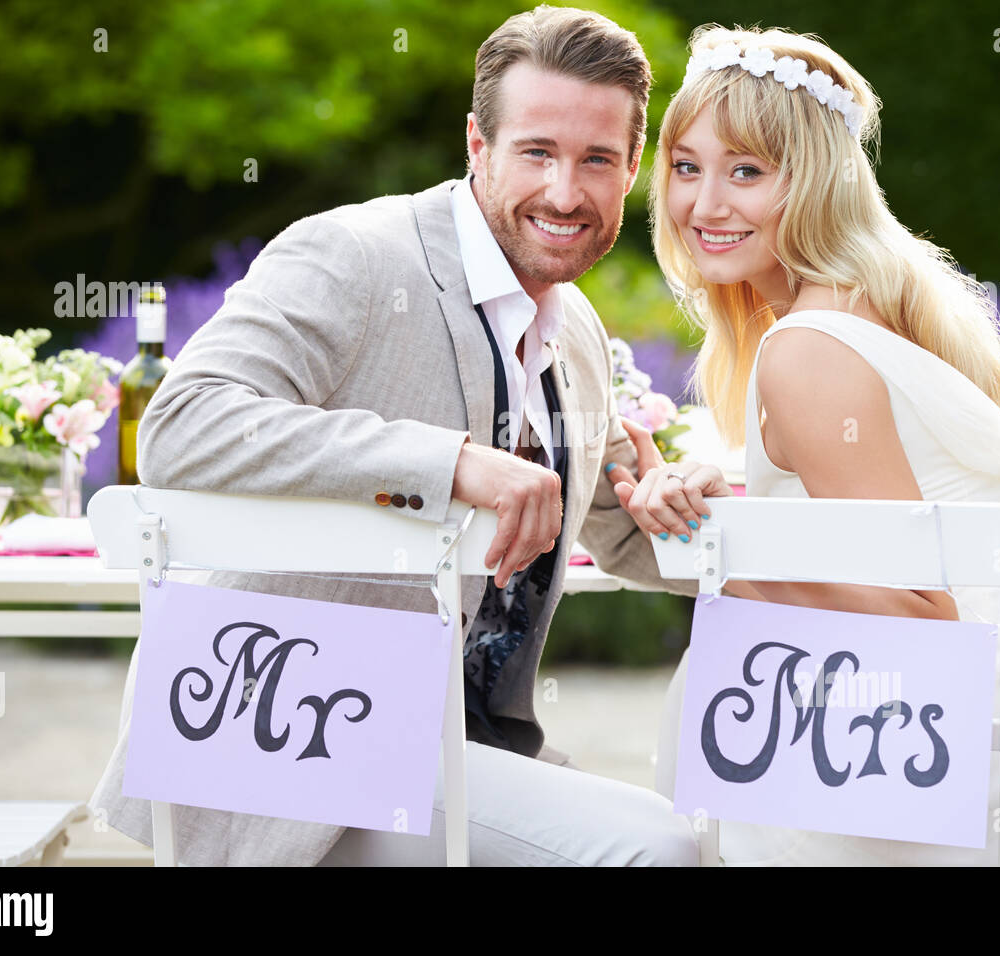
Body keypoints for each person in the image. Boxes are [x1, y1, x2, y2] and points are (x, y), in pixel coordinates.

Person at [89, 5, 700, 867]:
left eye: (596, 159)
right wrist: (446, 463)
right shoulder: (356, 255)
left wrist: (685, 507)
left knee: (704, 830)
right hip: (290, 744)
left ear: (631, 168)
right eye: (537, 151)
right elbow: (181, 424)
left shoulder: (581, 334)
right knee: (654, 850)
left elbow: (616, 530)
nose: (566, 192)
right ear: (476, 147)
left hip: (459, 748)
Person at [608, 24, 1000, 864]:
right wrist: (736, 502)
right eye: (685, 167)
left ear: (813, 180)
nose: (704, 205)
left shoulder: (807, 348)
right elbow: (878, 519)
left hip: (961, 754)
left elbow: (921, 613)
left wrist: (720, 554)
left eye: (746, 171)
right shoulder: (884, 300)